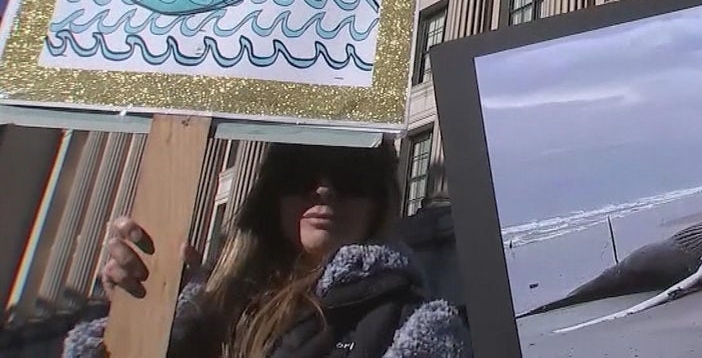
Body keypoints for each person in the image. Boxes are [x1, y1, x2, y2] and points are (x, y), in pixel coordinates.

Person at [61, 141, 473, 358]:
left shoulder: (417, 327)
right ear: (272, 194)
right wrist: (135, 322)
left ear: (379, 201)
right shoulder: (204, 315)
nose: (324, 190)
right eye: (300, 173)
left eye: (352, 175)